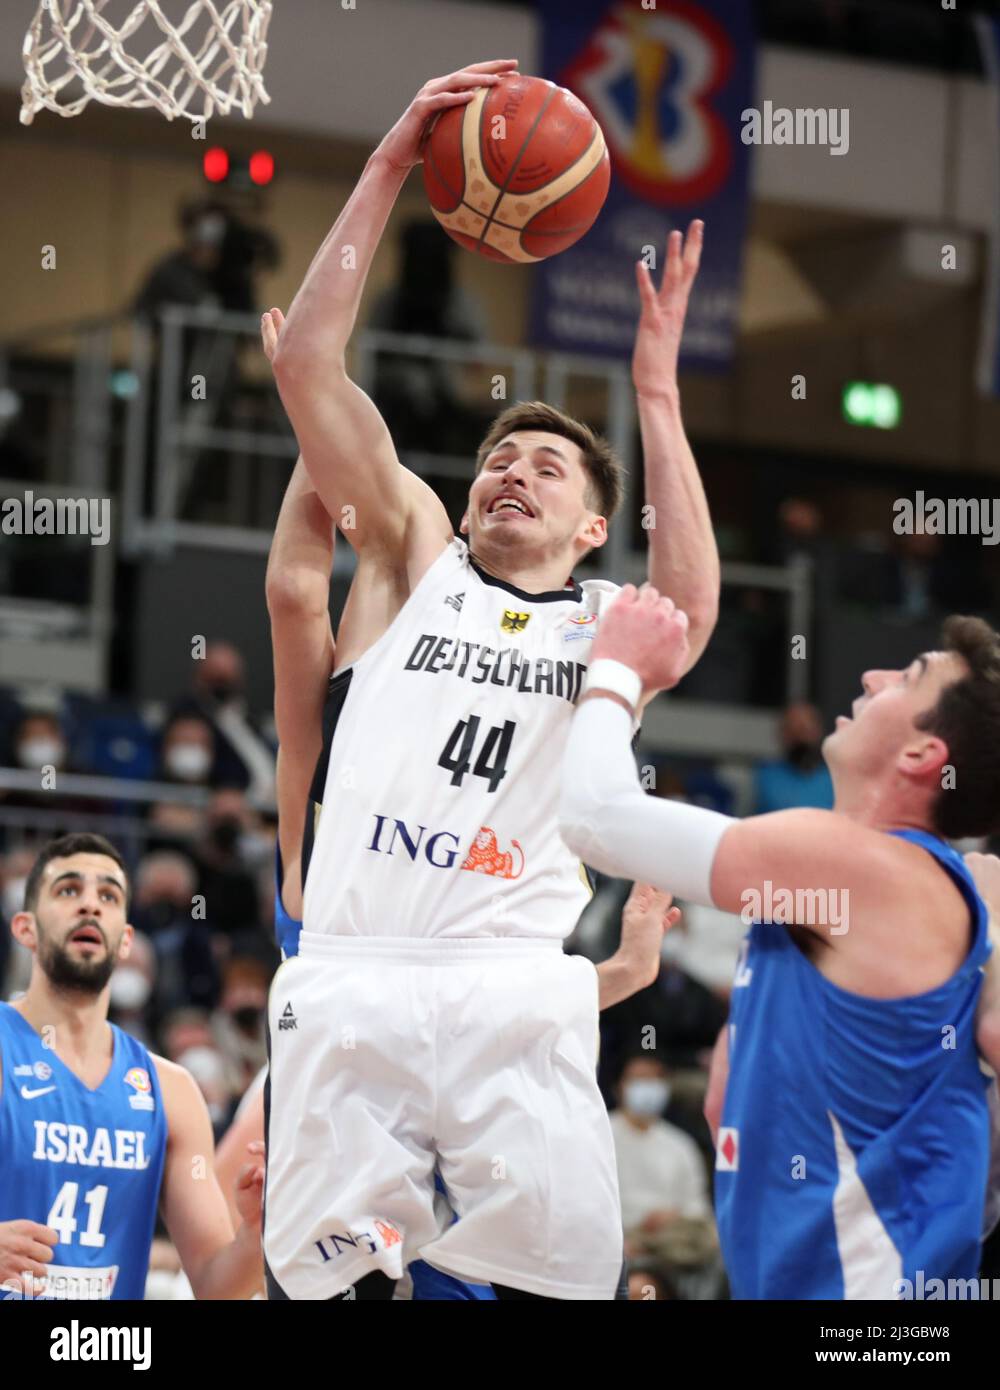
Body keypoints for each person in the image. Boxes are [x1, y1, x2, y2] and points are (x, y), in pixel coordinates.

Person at [262, 52, 720, 1300]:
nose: (511, 470)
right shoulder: (416, 552)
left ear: (592, 528)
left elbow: (687, 607)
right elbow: (306, 368)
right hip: (355, 967)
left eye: (546, 467)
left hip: (515, 986)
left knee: (561, 1282)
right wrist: (387, 162)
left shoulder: (607, 628)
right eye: (498, 459)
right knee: (329, 1286)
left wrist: (655, 391)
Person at [558, 587, 1000, 1299]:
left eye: (908, 676)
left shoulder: (861, 869)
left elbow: (596, 817)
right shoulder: (833, 901)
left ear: (924, 752)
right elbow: (723, 1103)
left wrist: (615, 668)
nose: (872, 676)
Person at [0, 833, 264, 1300]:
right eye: (68, 890)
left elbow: (216, 1287)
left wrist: (257, 1233)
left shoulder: (172, 1089)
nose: (90, 905)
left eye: (108, 896)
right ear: (25, 929)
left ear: (125, 940)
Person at [752, 702, 833, 815]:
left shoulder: (834, 778)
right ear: (782, 733)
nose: (801, 738)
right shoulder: (766, 775)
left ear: (819, 731)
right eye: (794, 730)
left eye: (805, 730)